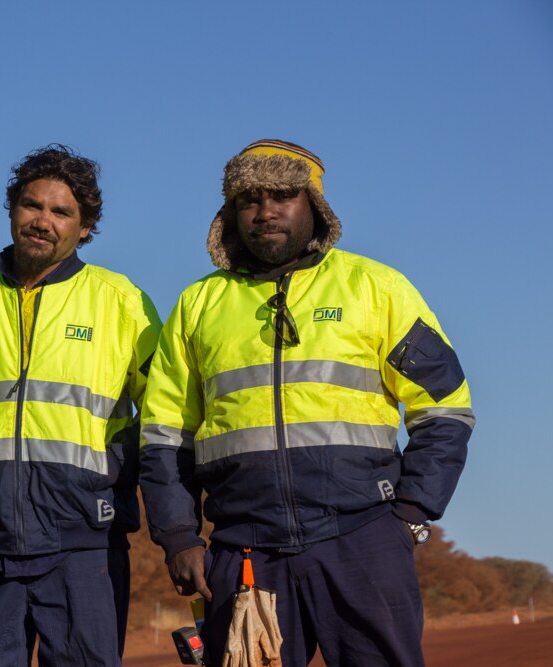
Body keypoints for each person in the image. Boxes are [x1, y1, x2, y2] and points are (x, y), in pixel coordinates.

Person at [140, 139, 474, 666]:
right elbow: (163, 437)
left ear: (313, 206)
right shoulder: (197, 304)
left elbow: (445, 407)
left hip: (363, 540)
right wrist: (179, 535)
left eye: (282, 196)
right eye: (249, 199)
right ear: (230, 212)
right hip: (245, 551)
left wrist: (410, 513)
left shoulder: (376, 287)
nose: (265, 211)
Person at [0, 145, 161, 666]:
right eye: (32, 206)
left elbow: (164, 414)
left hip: (85, 548)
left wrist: (116, 474)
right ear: (11, 210)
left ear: (86, 227)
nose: (42, 221)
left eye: (61, 212)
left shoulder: (123, 302)